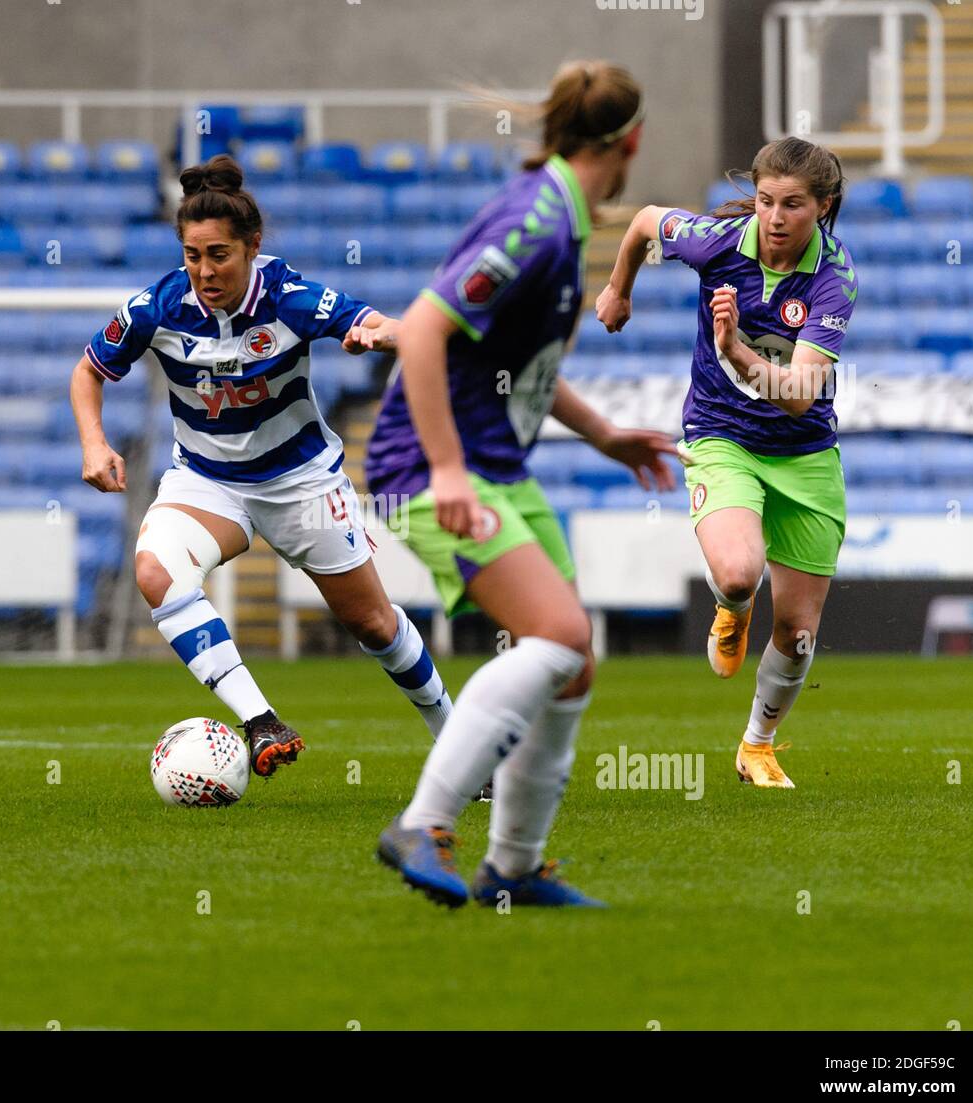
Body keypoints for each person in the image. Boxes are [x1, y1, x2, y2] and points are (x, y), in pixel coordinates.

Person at [364, 60, 675, 908]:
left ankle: (514, 866)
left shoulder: (563, 216)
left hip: (498, 463)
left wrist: (603, 432)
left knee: (570, 663)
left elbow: (509, 364)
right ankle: (423, 823)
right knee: (561, 630)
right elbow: (424, 332)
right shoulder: (538, 222)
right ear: (633, 140)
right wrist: (449, 468)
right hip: (427, 466)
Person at [69, 155, 452, 778]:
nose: (204, 271)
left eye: (218, 254)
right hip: (207, 481)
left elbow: (381, 324)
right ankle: (260, 721)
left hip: (300, 482)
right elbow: (88, 370)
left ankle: (456, 738)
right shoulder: (157, 307)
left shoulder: (290, 296)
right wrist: (93, 442)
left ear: (252, 246)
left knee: (375, 625)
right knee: (156, 571)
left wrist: (377, 337)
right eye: (192, 256)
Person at [597, 135, 857, 789]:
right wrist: (618, 289)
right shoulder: (717, 240)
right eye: (766, 200)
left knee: (797, 633)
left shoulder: (832, 278)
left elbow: (800, 396)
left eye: (792, 205)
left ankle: (757, 746)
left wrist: (737, 350)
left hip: (804, 454)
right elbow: (644, 221)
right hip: (722, 436)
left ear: (821, 208)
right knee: (740, 574)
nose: (774, 217)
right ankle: (732, 606)